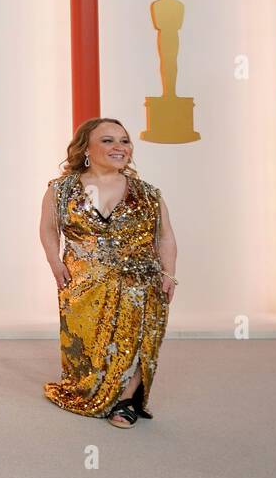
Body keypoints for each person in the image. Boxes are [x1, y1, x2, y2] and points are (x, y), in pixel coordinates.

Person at [38, 117, 177, 427]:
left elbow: (165, 235)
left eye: (124, 141)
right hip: (84, 284)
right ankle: (91, 391)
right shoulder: (62, 189)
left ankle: (127, 400)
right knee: (89, 352)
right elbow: (48, 228)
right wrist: (54, 262)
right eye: (108, 140)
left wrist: (169, 274)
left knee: (138, 340)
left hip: (141, 282)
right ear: (86, 147)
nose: (119, 147)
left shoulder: (148, 193)